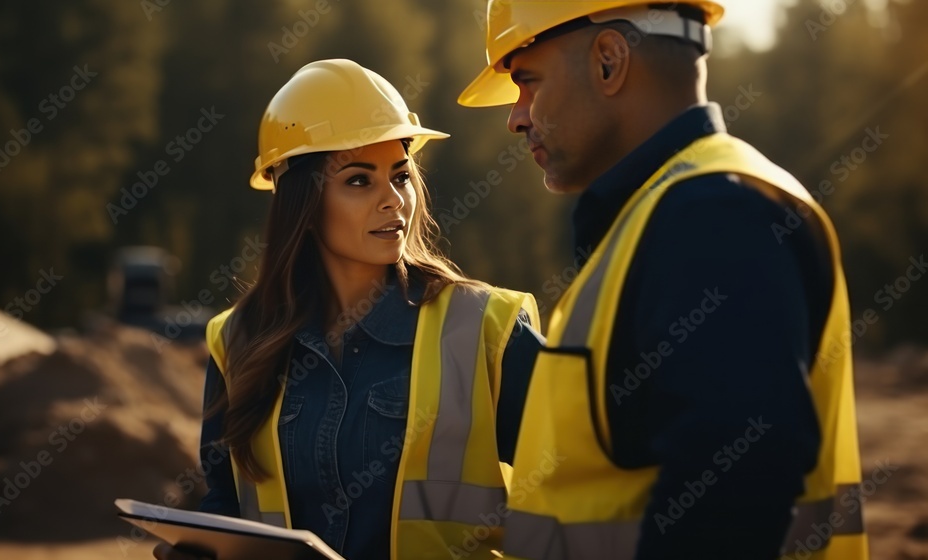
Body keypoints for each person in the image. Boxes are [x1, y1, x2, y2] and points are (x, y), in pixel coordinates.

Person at [459, 2, 867, 559]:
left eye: (528, 81)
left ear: (608, 61)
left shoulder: (715, 213)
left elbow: (737, 487)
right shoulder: (668, 214)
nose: (516, 117)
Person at [153, 59, 543, 560]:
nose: (394, 201)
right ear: (302, 204)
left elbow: (580, 490)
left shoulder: (486, 329)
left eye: (401, 176)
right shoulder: (238, 341)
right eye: (360, 181)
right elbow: (228, 502)